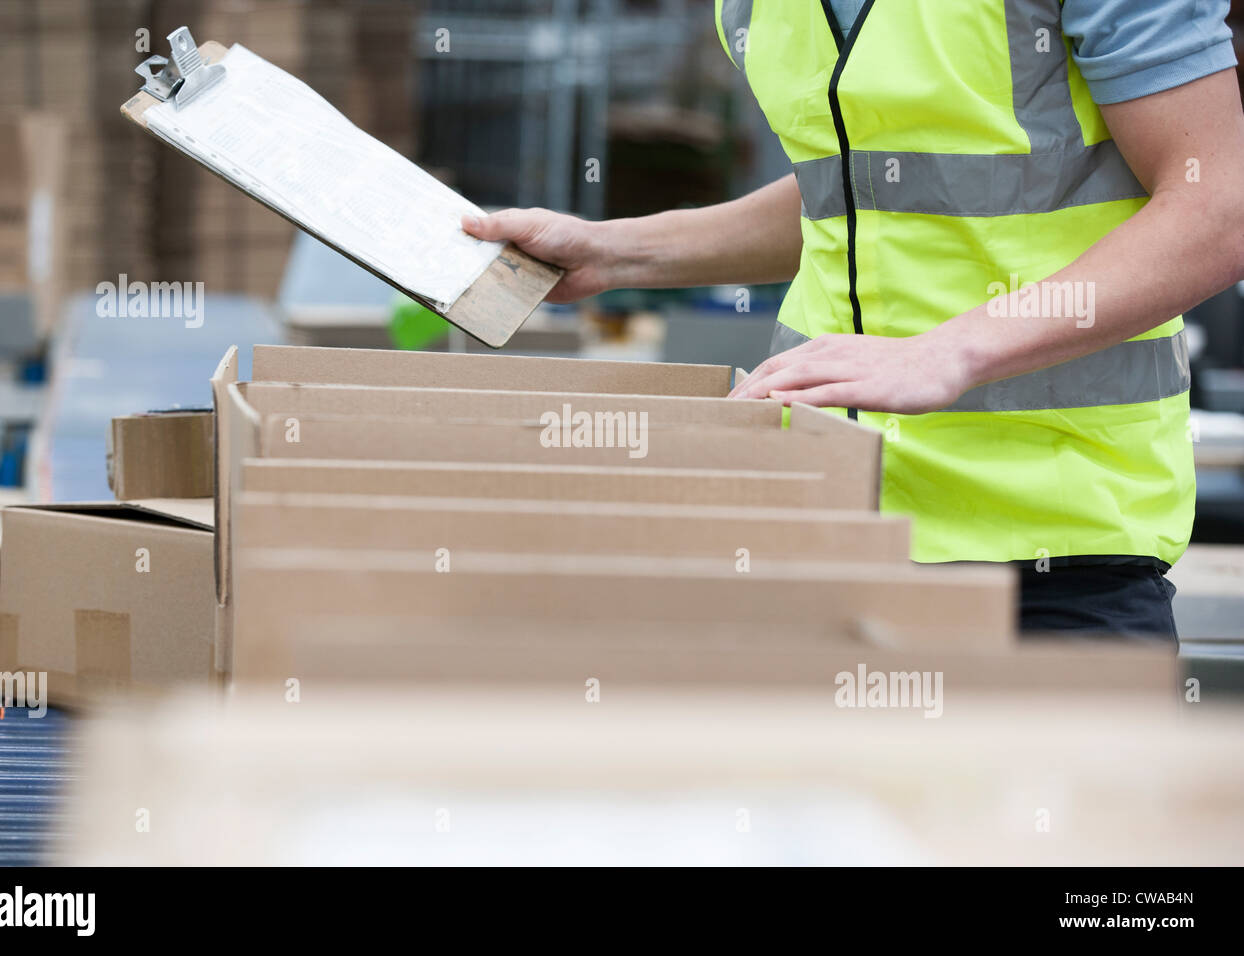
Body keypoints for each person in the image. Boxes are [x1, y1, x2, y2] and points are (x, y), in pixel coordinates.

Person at [463, 0, 1244, 640]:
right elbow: (858, 190)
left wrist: (951, 352)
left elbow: (1217, 208)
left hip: (1057, 557)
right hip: (825, 525)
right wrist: (617, 254)